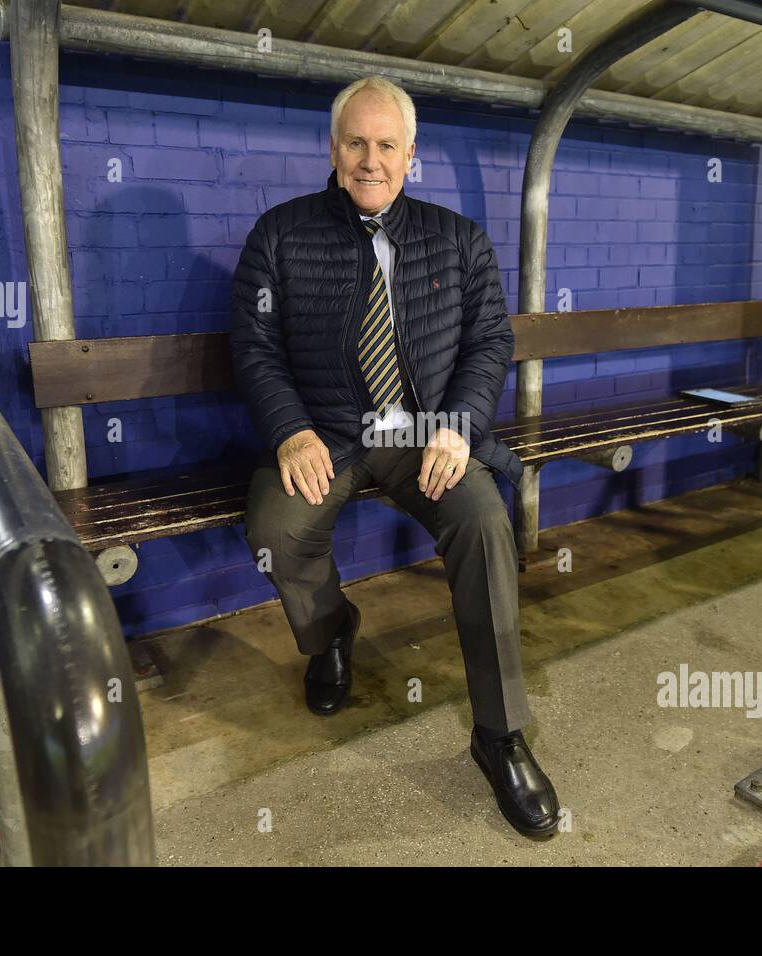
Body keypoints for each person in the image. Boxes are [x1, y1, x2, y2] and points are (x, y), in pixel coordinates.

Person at [229, 75, 559, 837]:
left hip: (425, 437)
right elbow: (252, 345)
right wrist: (288, 429)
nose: (369, 161)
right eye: (355, 143)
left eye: (386, 146)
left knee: (482, 519)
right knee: (277, 534)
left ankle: (499, 734)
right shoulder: (280, 235)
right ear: (334, 148)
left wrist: (461, 426)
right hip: (330, 434)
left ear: (411, 156)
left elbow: (489, 343)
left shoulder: (459, 238)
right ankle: (332, 631)